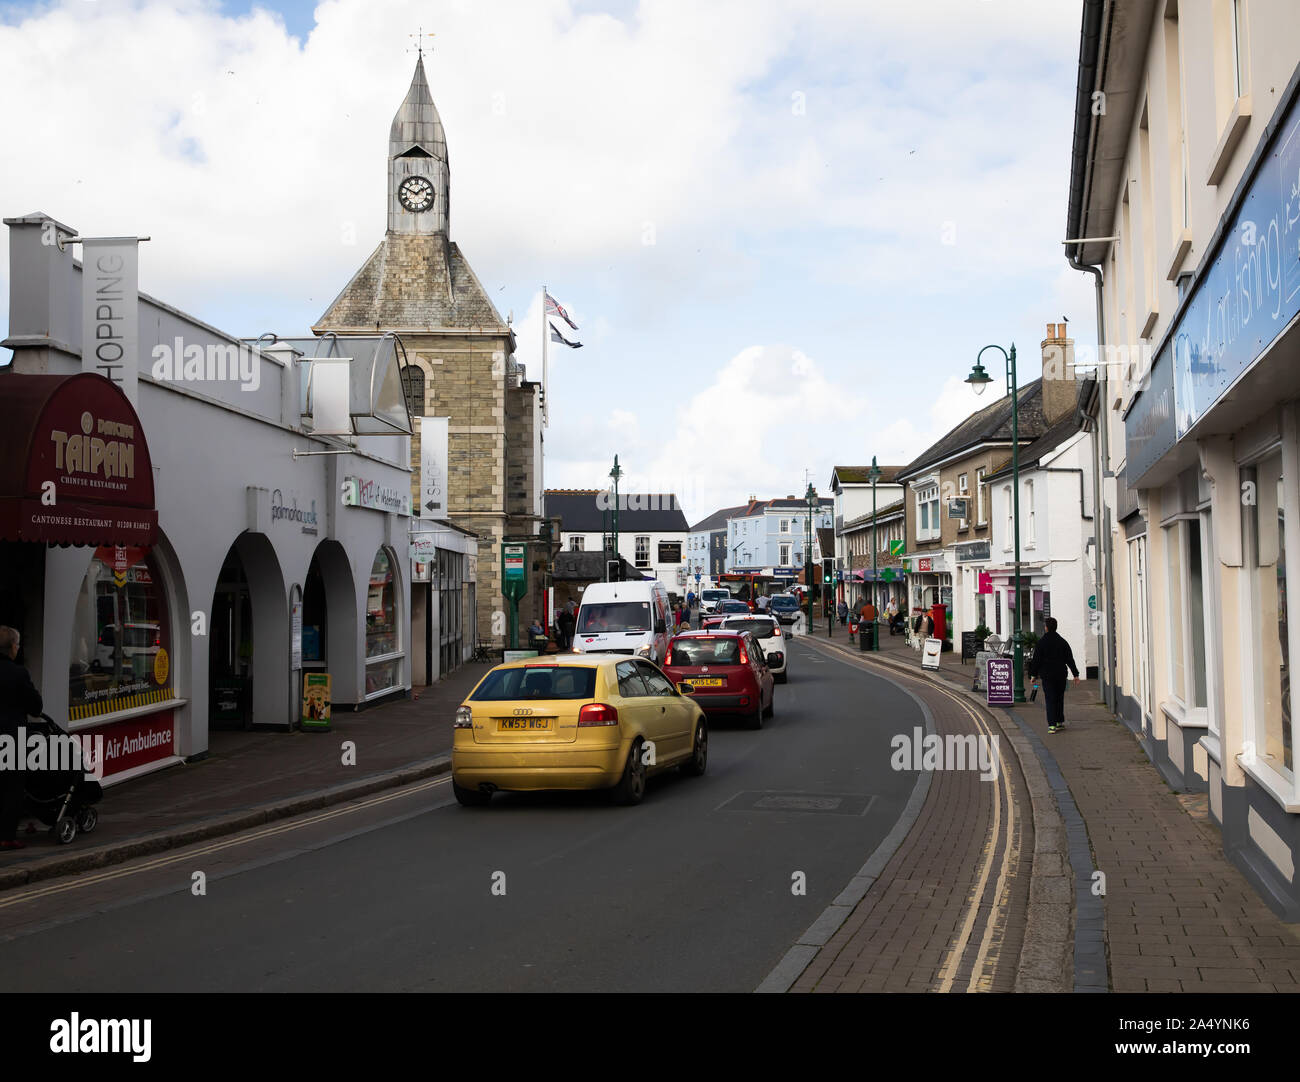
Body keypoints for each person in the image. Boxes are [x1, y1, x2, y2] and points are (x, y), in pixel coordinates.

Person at [0, 626, 41, 851]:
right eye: (16, 644)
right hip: (11, 739)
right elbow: (36, 707)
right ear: (11, 648)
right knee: (12, 788)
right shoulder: (18, 673)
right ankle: (6, 837)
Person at [1028, 617, 1080, 733]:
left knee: (1050, 699)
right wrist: (1075, 674)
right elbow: (1069, 659)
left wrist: (1033, 675)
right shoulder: (1062, 642)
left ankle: (1052, 725)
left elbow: (1036, 660)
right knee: (1059, 698)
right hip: (1061, 674)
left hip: (1047, 675)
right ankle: (1059, 721)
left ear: (1046, 628)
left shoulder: (1041, 642)